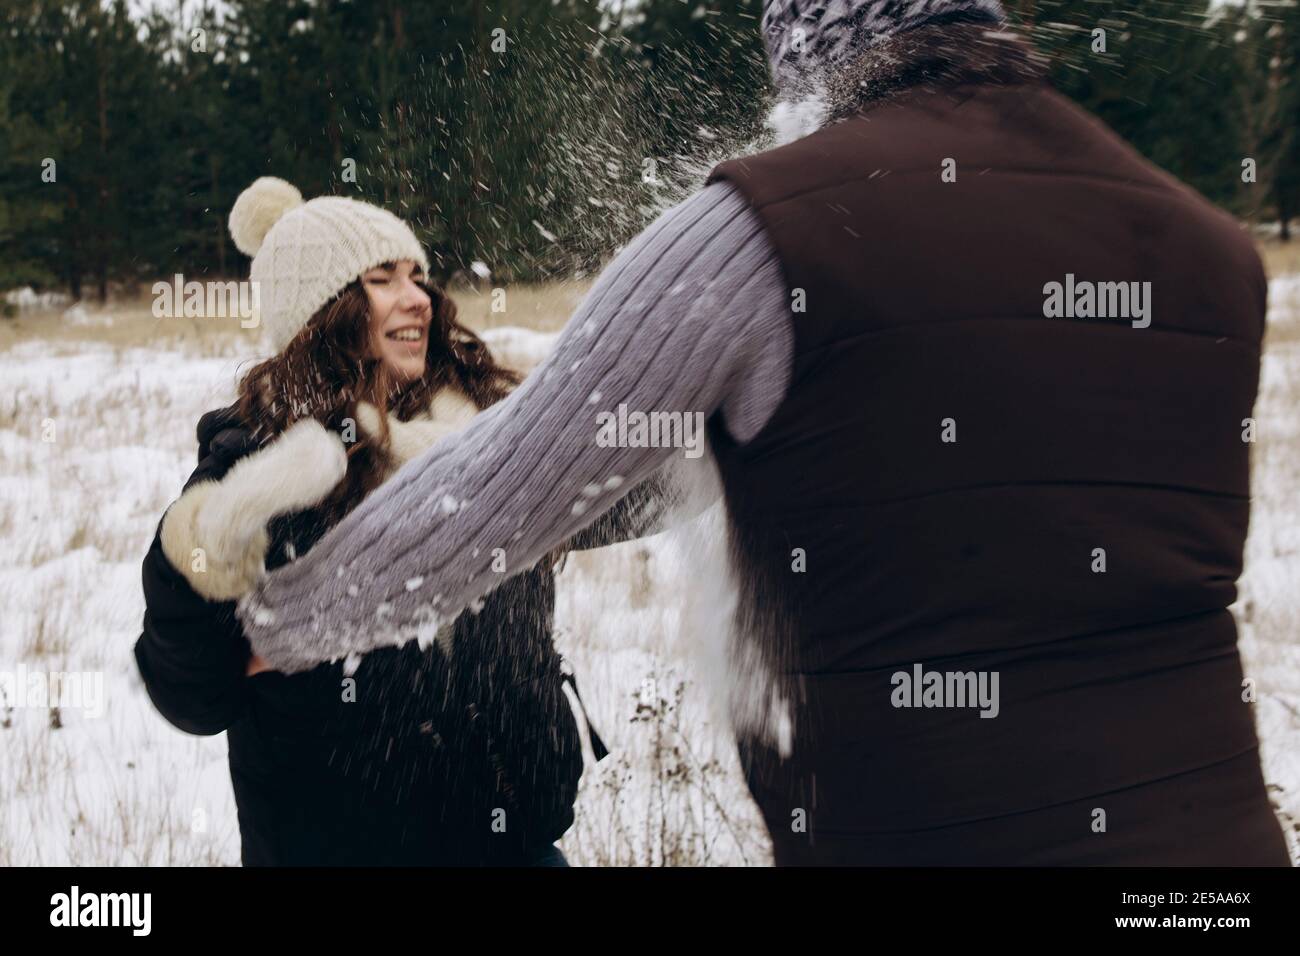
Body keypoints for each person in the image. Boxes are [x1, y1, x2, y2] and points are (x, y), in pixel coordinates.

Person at [237, 1, 1290, 865]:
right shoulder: (1208, 253)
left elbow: (501, 494)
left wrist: (269, 623)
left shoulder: (758, 227)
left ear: (806, 46)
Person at [135, 177, 647, 865]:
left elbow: (615, 499)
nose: (418, 298)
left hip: (514, 838)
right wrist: (207, 555)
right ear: (325, 312)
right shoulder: (256, 464)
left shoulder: (487, 434)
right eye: (382, 279)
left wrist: (729, 433)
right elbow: (192, 697)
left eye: (417, 277)